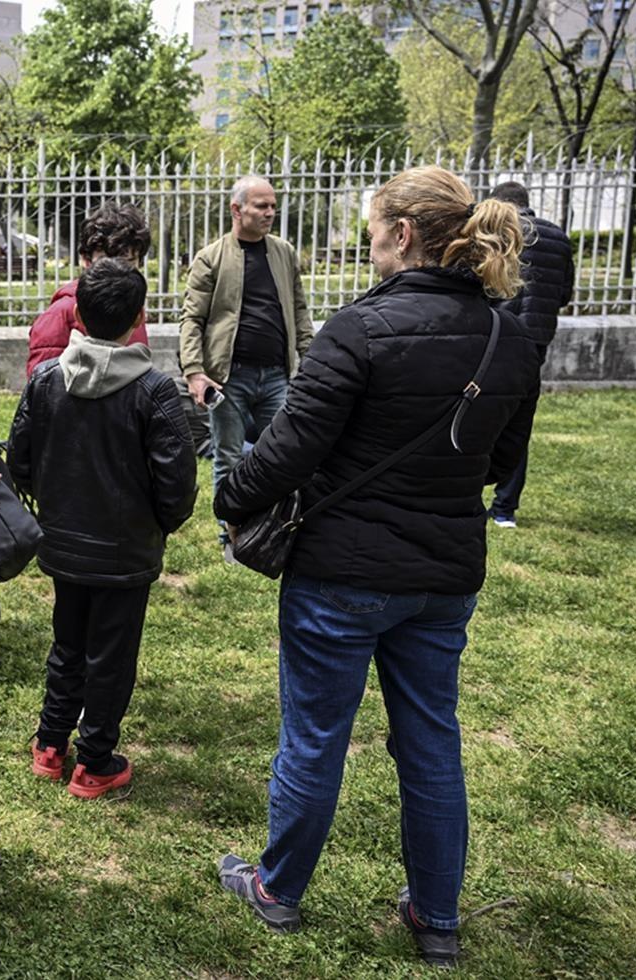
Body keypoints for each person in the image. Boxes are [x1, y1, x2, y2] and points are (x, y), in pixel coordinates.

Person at [211, 166, 542, 967]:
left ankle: (278, 889)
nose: (368, 242)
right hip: (442, 576)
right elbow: (502, 460)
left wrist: (229, 497)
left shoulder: (358, 330)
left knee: (315, 735)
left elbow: (286, 451)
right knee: (431, 741)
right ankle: (437, 916)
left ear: (401, 234)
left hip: (343, 576)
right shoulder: (510, 335)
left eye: (371, 229)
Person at [9, 258, 197, 799]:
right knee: (110, 657)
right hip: (124, 553)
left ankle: (50, 744)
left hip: (64, 543)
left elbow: (20, 460)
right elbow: (176, 482)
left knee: (68, 642)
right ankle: (94, 761)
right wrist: (159, 524)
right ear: (139, 315)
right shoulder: (155, 390)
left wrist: (54, 503)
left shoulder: (46, 379)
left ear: (78, 316)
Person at [179, 177, 314, 513]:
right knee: (227, 458)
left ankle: (274, 531)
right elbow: (192, 318)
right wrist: (194, 371)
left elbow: (299, 310)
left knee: (284, 455)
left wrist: (310, 359)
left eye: (272, 205)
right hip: (228, 378)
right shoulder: (210, 258)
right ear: (236, 209)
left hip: (276, 377)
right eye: (262, 206)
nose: (270, 212)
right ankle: (231, 537)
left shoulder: (284, 253)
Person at [486, 180, 575, 529]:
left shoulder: (500, 231)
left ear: (501, 203)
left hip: (496, 331)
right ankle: (505, 508)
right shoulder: (557, 237)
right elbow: (565, 293)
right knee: (518, 417)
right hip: (536, 339)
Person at [25, 201, 152, 378]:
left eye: (126, 262)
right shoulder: (59, 314)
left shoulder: (133, 307)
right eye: (105, 262)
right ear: (86, 260)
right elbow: (44, 388)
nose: (116, 273)